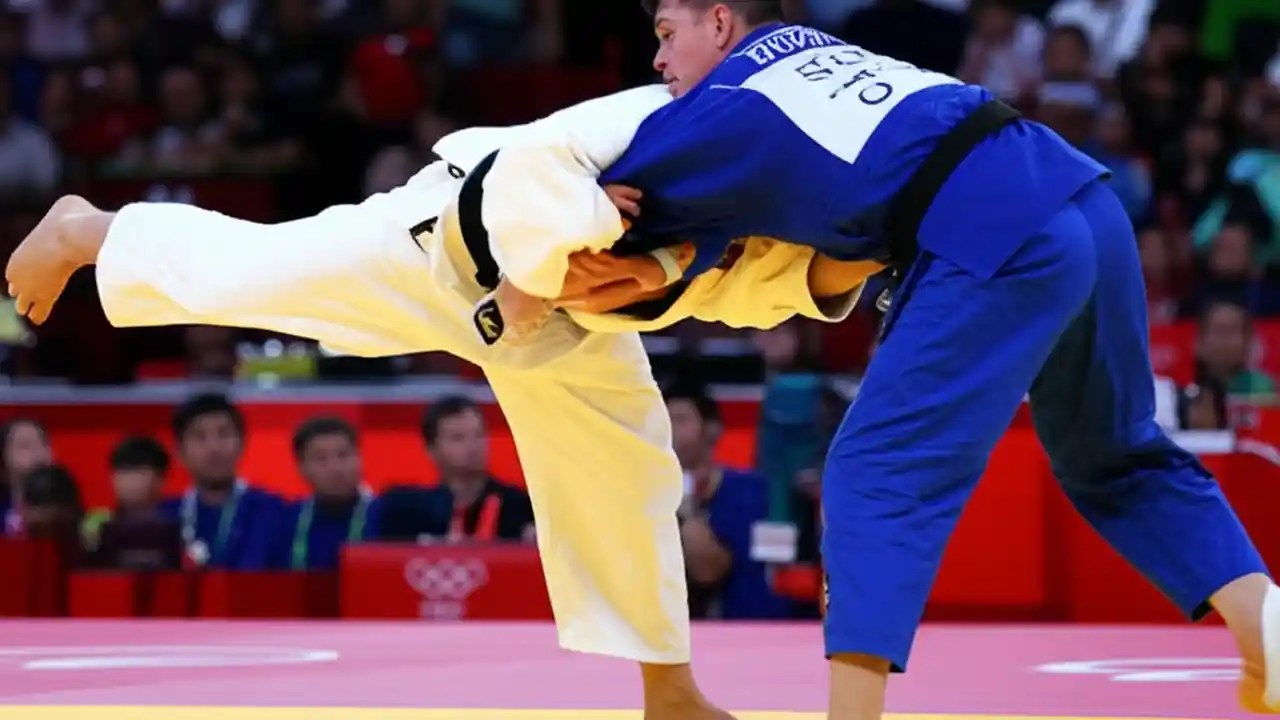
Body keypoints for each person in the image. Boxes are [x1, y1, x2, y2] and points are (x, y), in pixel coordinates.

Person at [5, 83, 877, 720]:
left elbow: (762, 282)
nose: (659, 51)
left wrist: (643, 264)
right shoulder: (670, 107)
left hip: (563, 323)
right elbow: (531, 166)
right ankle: (92, 229)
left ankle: (668, 690)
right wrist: (562, 249)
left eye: (668, 30)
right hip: (446, 257)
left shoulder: (779, 172)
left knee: (627, 465)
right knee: (267, 278)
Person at [554, 1, 1277, 716]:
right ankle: (1265, 626)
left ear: (719, 22)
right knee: (1116, 451)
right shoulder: (824, 53)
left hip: (995, 229)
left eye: (665, 34)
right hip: (1080, 193)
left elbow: (565, 196)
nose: (657, 62)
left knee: (871, 472)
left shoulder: (724, 101)